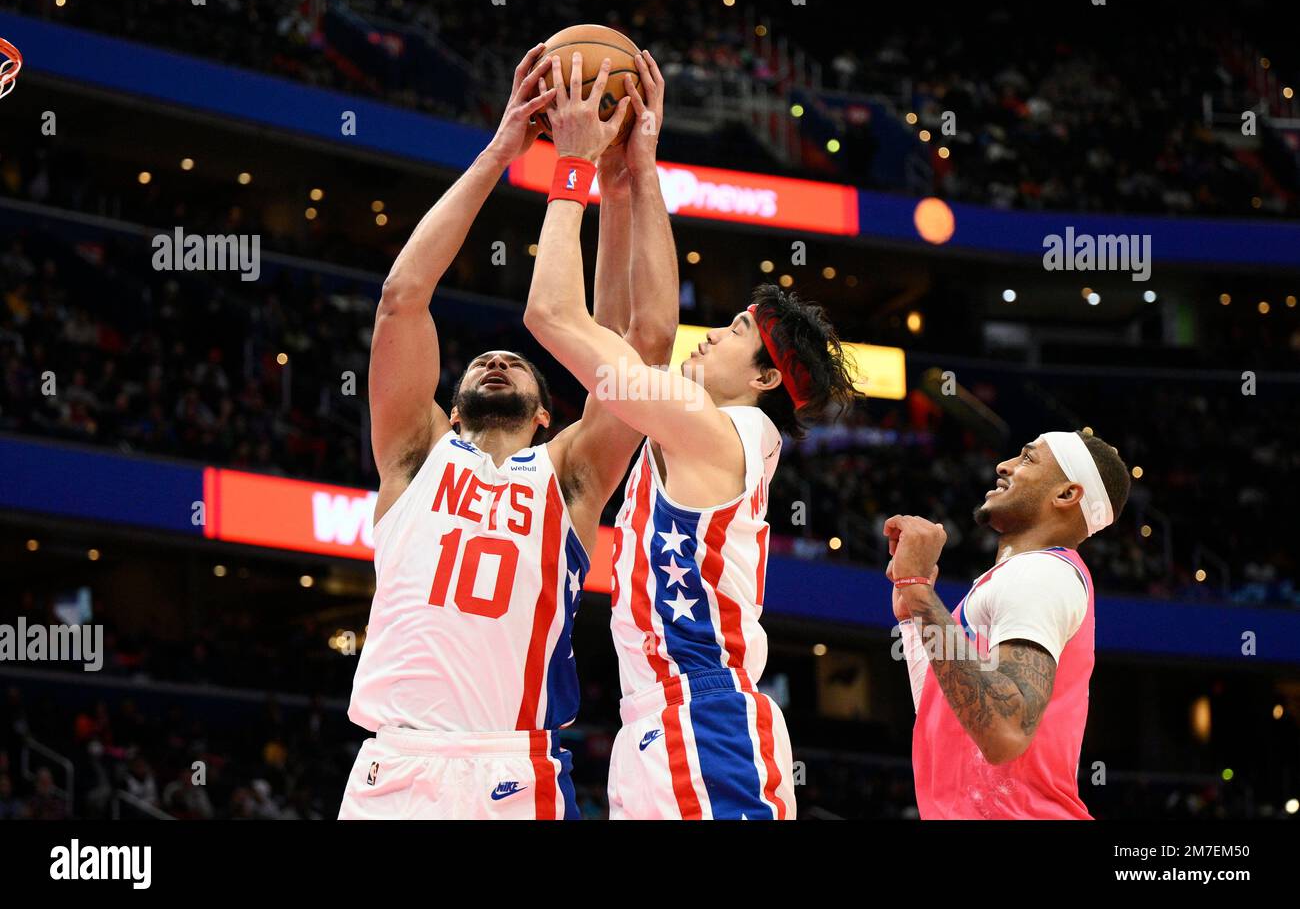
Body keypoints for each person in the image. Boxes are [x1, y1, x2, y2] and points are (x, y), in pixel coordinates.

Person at [339, 43, 677, 819]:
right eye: (482, 362)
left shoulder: (572, 477)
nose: (496, 360)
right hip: (396, 761)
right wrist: (502, 150)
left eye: (515, 364)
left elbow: (641, 343)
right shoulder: (411, 457)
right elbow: (401, 298)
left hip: (512, 767)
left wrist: (625, 178)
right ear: (448, 407)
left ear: (548, 411)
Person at [525, 50, 856, 818]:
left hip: (705, 723)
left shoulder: (720, 432)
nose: (711, 335)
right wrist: (633, 172)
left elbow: (555, 318)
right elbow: (642, 329)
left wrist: (574, 168)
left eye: (738, 331)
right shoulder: (704, 427)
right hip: (661, 722)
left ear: (767, 377)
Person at [888, 430, 1130, 819]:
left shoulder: (1042, 573)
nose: (1004, 465)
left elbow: (1005, 732)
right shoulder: (1020, 577)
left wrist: (919, 592)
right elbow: (951, 713)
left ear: (1067, 495)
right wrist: (914, 615)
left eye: (1027, 459)